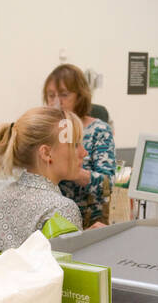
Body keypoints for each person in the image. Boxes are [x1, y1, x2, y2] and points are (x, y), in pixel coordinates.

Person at [0, 107, 98, 251]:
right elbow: (68, 269)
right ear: (46, 153)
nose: (84, 153)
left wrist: (80, 237)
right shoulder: (61, 209)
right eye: (74, 145)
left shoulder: (0, 196)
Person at [43, 64, 116, 227]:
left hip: (90, 223)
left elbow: (107, 185)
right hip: (51, 221)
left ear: (80, 96)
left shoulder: (99, 131)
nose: (56, 102)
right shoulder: (45, 131)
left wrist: (74, 172)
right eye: (51, 95)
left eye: (64, 95)